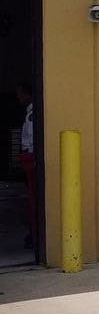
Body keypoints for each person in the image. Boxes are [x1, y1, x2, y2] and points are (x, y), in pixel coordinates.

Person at [16, 82, 35, 249]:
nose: (18, 97)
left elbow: (32, 140)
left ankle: (34, 232)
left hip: (31, 158)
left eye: (20, 93)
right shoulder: (30, 113)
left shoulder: (33, 115)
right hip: (28, 158)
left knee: (33, 198)